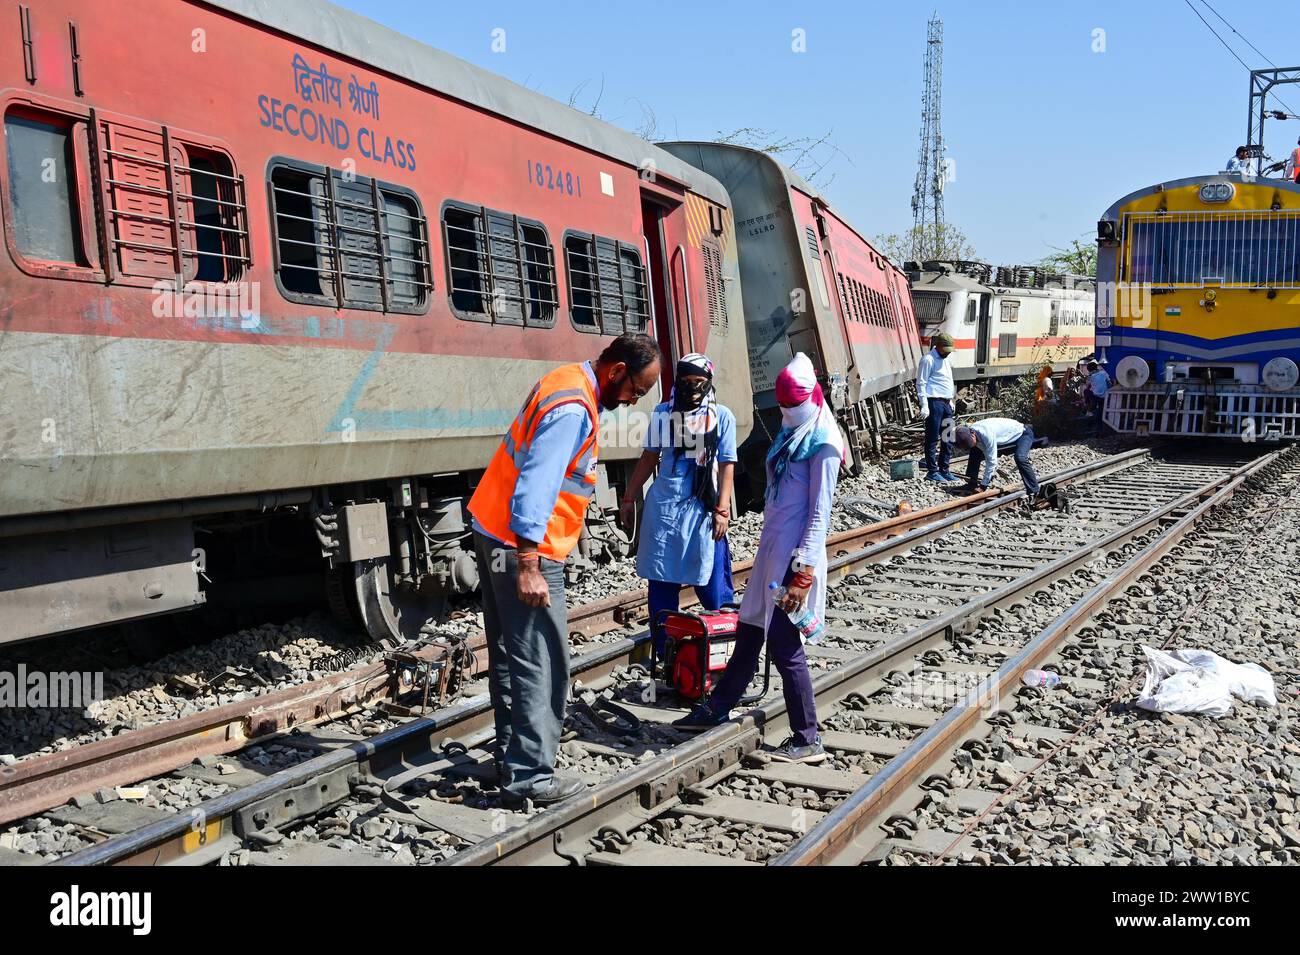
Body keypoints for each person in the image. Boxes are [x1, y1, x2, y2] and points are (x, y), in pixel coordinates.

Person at [468, 333, 661, 807]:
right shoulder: (574, 407)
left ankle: (512, 759)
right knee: (543, 660)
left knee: (514, 655)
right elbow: (536, 483)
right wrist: (529, 563)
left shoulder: (565, 380)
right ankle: (532, 774)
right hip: (523, 547)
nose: (634, 401)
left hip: (494, 532)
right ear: (616, 371)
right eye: (636, 390)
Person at [673, 353, 843, 764]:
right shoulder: (793, 431)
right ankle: (718, 706)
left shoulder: (824, 443)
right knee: (749, 629)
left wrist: (802, 573)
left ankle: (807, 737)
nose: (787, 413)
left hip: (796, 558)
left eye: (792, 406)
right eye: (782, 406)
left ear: (811, 398)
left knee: (785, 646)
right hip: (773, 549)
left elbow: (820, 512)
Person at [620, 353, 737, 662]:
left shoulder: (721, 416)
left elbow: (726, 465)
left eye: (698, 382)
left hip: (704, 507)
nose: (691, 388)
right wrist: (630, 496)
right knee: (661, 580)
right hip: (665, 507)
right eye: (685, 382)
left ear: (709, 382)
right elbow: (649, 458)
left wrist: (722, 510)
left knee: (712, 580)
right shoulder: (663, 414)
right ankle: (665, 651)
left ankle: (725, 644)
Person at [953, 418, 1042, 499]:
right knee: (975, 450)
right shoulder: (970, 431)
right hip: (1006, 437)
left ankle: (1034, 491)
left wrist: (983, 486)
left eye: (971, 442)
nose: (971, 444)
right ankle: (972, 484)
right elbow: (986, 454)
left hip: (1023, 434)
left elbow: (991, 461)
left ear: (973, 434)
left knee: (1020, 457)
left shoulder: (986, 434)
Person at [917, 332, 957, 482]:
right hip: (934, 403)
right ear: (938, 346)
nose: (948, 352)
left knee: (948, 436)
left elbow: (947, 379)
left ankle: (944, 469)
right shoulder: (928, 360)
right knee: (932, 438)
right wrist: (924, 405)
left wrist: (950, 400)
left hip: (946, 404)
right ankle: (932, 471)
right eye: (946, 349)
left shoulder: (945, 359)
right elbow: (921, 382)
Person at [1085, 360, 1110, 433]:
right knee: (1101, 411)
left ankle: (1089, 409)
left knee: (1086, 391)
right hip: (1105, 395)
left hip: (1096, 396)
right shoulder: (1104, 373)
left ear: (1089, 370)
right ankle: (1101, 428)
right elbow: (1109, 383)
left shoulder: (1090, 376)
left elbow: (1088, 387)